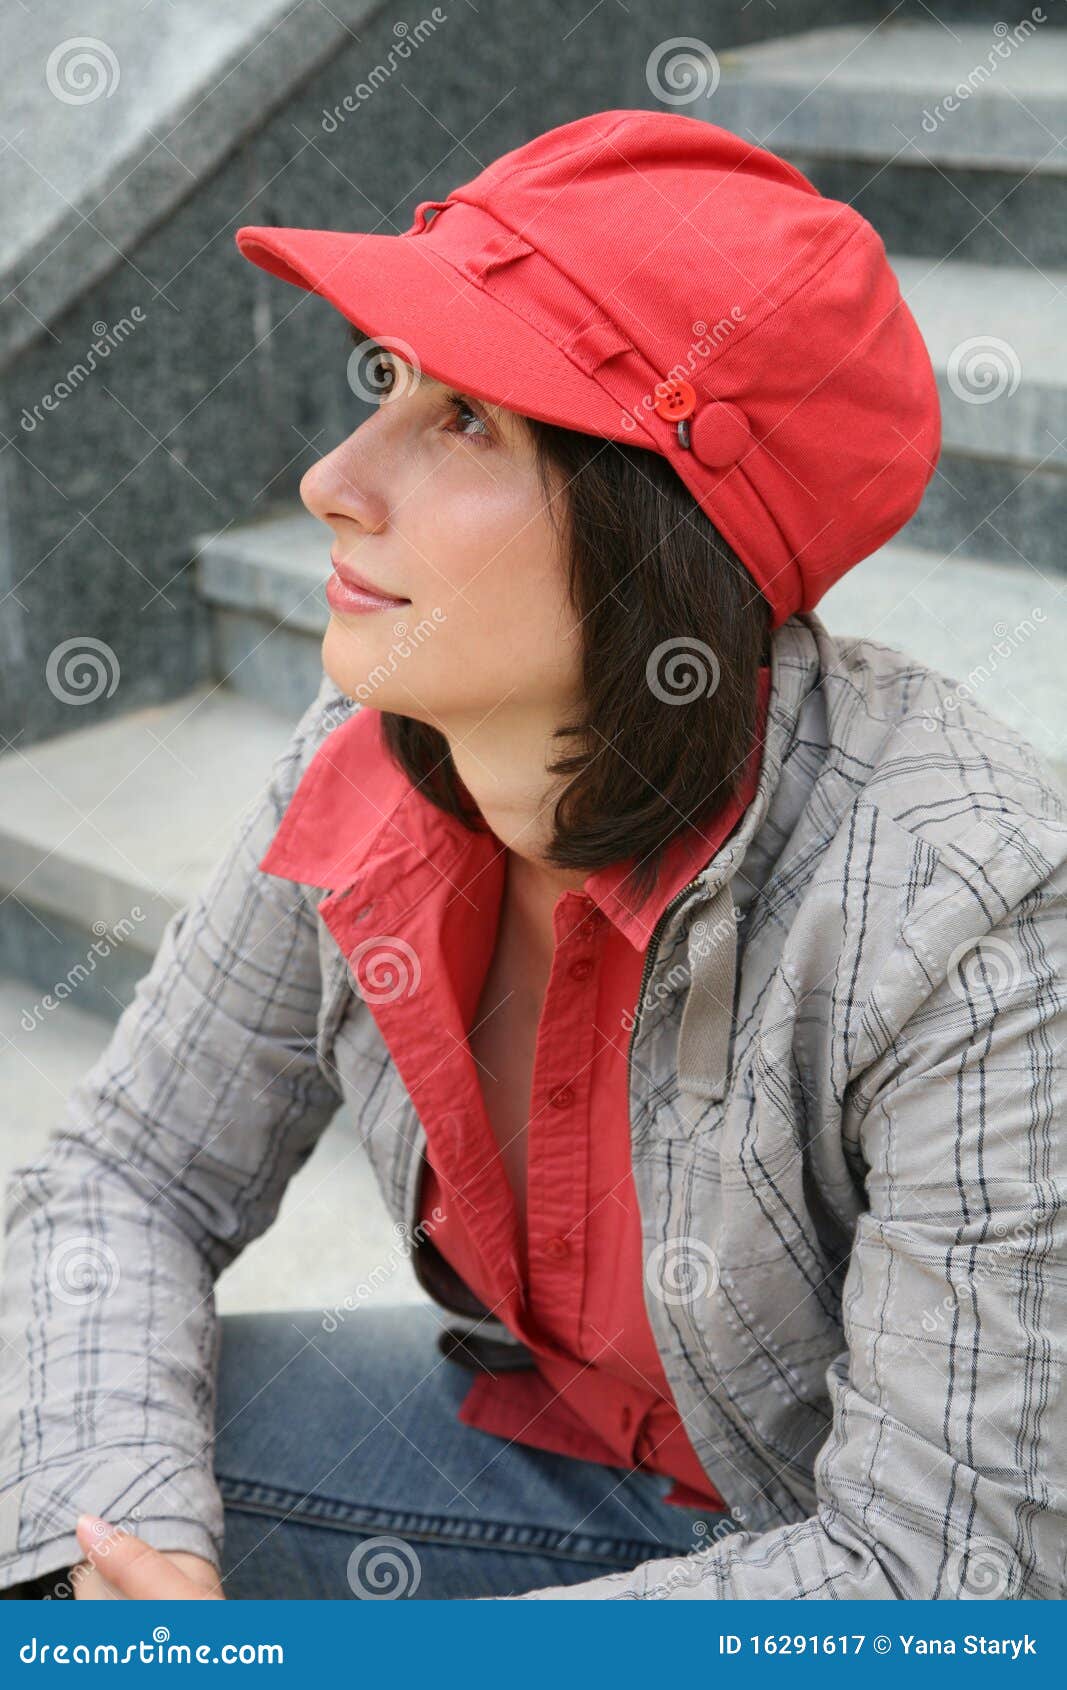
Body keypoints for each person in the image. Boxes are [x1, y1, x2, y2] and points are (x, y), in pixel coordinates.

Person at [1, 109, 1064, 1602]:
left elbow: (948, 1582)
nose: (329, 478)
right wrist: (128, 1543)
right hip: (604, 1478)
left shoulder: (967, 910)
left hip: (876, 1582)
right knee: (64, 1463)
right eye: (389, 384)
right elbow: (128, 1171)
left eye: (466, 422)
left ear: (658, 540)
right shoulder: (370, 753)